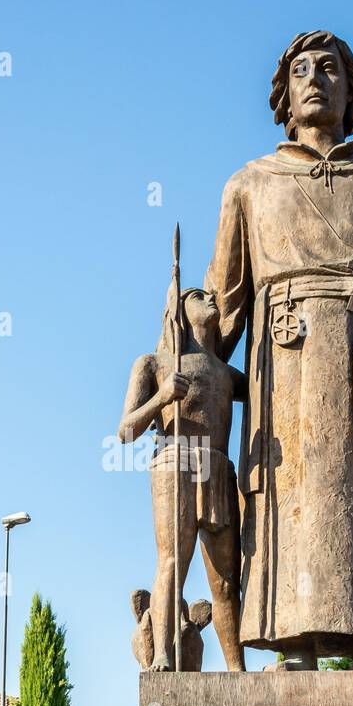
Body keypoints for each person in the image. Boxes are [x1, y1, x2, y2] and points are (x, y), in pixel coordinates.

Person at [205, 30, 353, 669]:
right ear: (283, 94)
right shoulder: (250, 185)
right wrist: (183, 348)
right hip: (284, 365)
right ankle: (290, 643)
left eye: (330, 69)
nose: (316, 77)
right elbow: (222, 308)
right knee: (290, 491)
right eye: (302, 70)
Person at [118, 287, 245, 671]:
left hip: (219, 469)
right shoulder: (155, 363)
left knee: (225, 581)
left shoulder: (224, 372)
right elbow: (125, 431)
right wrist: (162, 398)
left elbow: (263, 387)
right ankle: (163, 656)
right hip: (175, 462)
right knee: (173, 563)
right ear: (178, 310)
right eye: (198, 295)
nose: (211, 298)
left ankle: (237, 668)